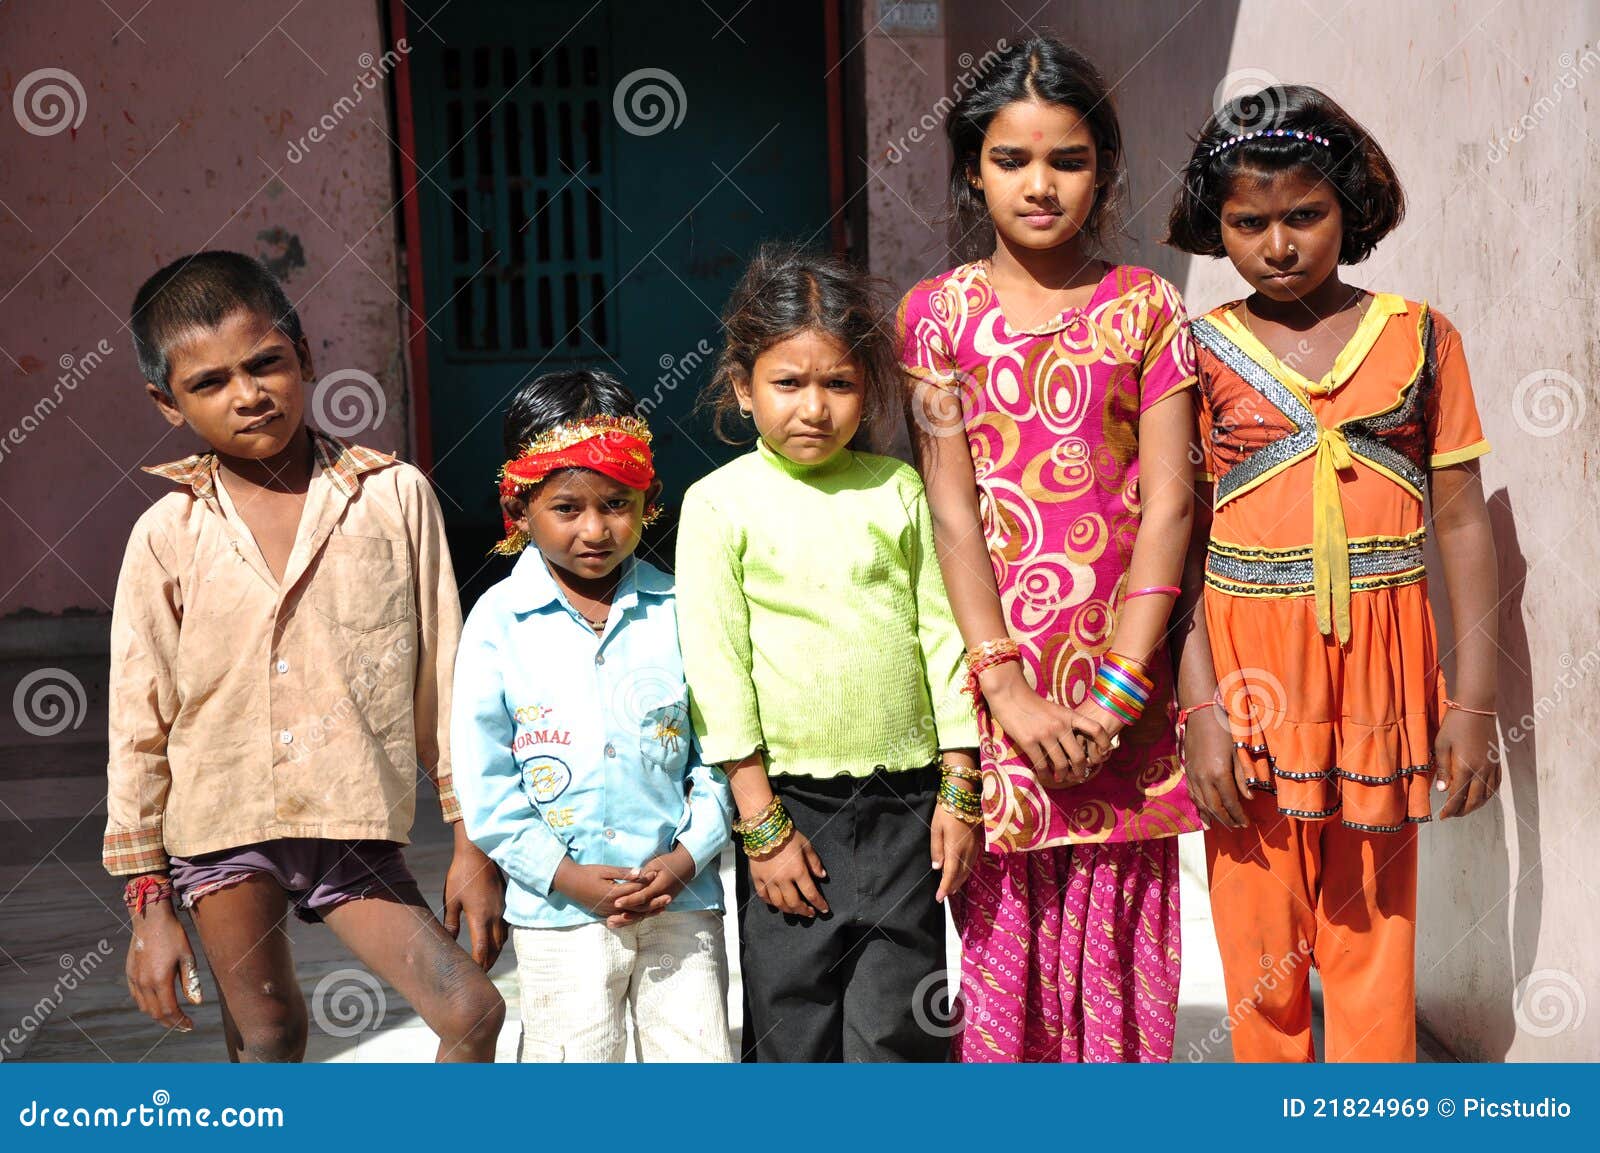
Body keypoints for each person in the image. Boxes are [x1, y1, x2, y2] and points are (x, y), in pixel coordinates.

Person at [1165, 84, 1501, 1061]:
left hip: (1382, 685)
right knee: (1259, 939)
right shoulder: (1196, 354)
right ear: (1214, 225)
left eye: (1303, 215)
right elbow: (1175, 541)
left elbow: (1460, 523)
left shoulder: (1421, 339)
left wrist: (1472, 703)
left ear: (1349, 207)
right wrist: (1196, 711)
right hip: (1244, 683)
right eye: (1248, 222)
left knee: (1370, 935)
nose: (1277, 244)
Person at [107, 250, 505, 1061]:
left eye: (266, 364)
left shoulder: (392, 495)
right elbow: (136, 722)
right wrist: (150, 904)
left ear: (306, 356)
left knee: (471, 1009)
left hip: (351, 821)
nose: (248, 395)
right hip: (221, 826)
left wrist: (472, 844)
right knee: (270, 1032)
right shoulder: (166, 534)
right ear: (166, 402)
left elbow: (447, 682)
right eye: (209, 383)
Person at [899, 36, 1202, 1062]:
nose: (1040, 185)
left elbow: (1170, 499)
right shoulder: (937, 317)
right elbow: (950, 511)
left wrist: (1119, 688)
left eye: (1067, 160)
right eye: (1010, 159)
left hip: (1124, 684)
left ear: (1104, 170)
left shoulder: (1147, 309)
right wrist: (1010, 694)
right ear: (970, 170)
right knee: (1006, 968)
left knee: (1120, 956)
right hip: (1006, 694)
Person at [675, 243, 982, 1062]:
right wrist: (760, 823)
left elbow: (941, 635)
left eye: (839, 383)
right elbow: (717, 665)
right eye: (788, 383)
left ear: (869, 389)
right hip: (789, 811)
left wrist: (960, 785)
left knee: (899, 1024)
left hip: (906, 806)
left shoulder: (897, 490)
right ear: (743, 387)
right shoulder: (717, 505)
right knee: (791, 1021)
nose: (814, 407)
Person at [451, 369, 734, 1063]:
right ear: (518, 511)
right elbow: (486, 785)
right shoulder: (497, 623)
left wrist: (686, 856)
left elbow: (720, 750)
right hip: (558, 914)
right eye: (567, 508)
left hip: (681, 904)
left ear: (649, 500)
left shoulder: (683, 607)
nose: (596, 529)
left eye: (616, 503)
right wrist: (564, 874)